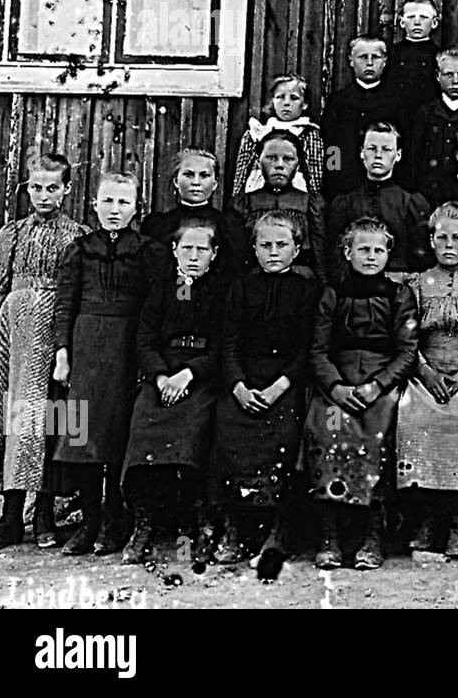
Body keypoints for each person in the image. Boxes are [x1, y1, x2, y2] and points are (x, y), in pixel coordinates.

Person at [52, 172, 170, 556]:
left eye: (123, 202)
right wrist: (63, 354)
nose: (114, 210)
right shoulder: (79, 249)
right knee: (82, 436)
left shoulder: (149, 250)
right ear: (94, 204)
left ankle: (117, 521)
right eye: (108, 201)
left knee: (118, 436)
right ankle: (89, 521)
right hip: (86, 347)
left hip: (127, 346)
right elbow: (65, 303)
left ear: (137, 207)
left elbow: (156, 308)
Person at [0, 153, 88, 551]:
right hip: (16, 336)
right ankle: (11, 516)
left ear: (66, 190)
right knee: (16, 418)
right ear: (26, 188)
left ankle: (45, 513)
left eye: (52, 188)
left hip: (59, 332)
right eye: (36, 187)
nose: (43, 195)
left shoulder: (78, 235)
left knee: (55, 417)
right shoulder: (10, 234)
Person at [305, 218, 418, 571]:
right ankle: (330, 533)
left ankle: (372, 531)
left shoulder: (400, 294)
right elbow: (318, 351)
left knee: (378, 429)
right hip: (338, 381)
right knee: (327, 428)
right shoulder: (333, 294)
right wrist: (336, 386)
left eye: (378, 250)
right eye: (363, 249)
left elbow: (407, 351)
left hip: (380, 384)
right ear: (347, 252)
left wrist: (376, 386)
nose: (371, 257)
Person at [212, 211, 321, 564]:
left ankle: (277, 530)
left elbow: (306, 348)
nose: (273, 252)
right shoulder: (241, 288)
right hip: (245, 376)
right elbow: (227, 343)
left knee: (284, 435)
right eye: (265, 245)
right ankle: (234, 526)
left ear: (297, 248)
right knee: (227, 427)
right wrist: (239, 386)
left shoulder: (307, 290)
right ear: (254, 249)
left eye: (282, 245)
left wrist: (279, 388)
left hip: (286, 380)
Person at [121, 216, 226, 565]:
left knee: (193, 432)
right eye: (187, 248)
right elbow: (145, 340)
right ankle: (144, 522)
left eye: (202, 249)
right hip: (163, 376)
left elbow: (223, 347)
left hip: (200, 376)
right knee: (142, 428)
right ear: (174, 250)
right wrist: (161, 376)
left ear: (214, 254)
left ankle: (199, 522)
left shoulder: (222, 291)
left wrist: (189, 374)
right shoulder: (162, 288)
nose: (194, 256)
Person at [396, 203, 458, 558]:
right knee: (414, 415)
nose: (450, 245)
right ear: (431, 240)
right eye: (442, 237)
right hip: (424, 373)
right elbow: (407, 337)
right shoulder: (417, 284)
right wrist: (423, 370)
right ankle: (426, 515)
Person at [326, 120, 431, 281]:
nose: (378, 155)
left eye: (386, 149)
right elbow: (335, 257)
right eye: (372, 148)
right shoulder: (345, 203)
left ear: (398, 155)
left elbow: (420, 258)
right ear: (362, 153)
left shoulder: (411, 203)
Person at [222, 129, 328, 284]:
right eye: (271, 158)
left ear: (298, 164)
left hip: (300, 283)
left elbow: (319, 255)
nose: (279, 165)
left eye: (288, 159)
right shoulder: (243, 204)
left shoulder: (311, 204)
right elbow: (234, 258)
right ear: (259, 160)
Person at [320, 37, 409, 200]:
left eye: (375, 57)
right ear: (351, 61)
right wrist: (333, 179)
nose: (369, 63)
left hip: (385, 186)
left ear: (385, 61)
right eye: (362, 57)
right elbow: (332, 146)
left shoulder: (397, 101)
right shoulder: (338, 101)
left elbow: (404, 146)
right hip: (346, 184)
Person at [405, 47, 458, 195]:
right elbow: (413, 159)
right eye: (449, 74)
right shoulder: (425, 113)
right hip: (427, 195)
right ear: (438, 76)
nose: (455, 81)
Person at [232, 74, 327, 197]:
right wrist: (237, 198)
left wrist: (315, 200)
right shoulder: (257, 132)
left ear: (305, 104)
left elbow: (315, 174)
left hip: (296, 192)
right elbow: (242, 172)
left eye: (294, 98)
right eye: (280, 97)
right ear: (272, 101)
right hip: (258, 191)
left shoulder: (309, 134)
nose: (286, 103)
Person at [141, 148, 224, 246]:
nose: (196, 182)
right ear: (176, 181)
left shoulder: (224, 226)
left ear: (214, 184)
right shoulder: (158, 225)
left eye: (204, 175)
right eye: (189, 175)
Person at [387, 0, 442, 107]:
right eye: (411, 17)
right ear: (402, 22)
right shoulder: (392, 53)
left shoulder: (439, 54)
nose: (417, 22)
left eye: (424, 17)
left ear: (434, 23)